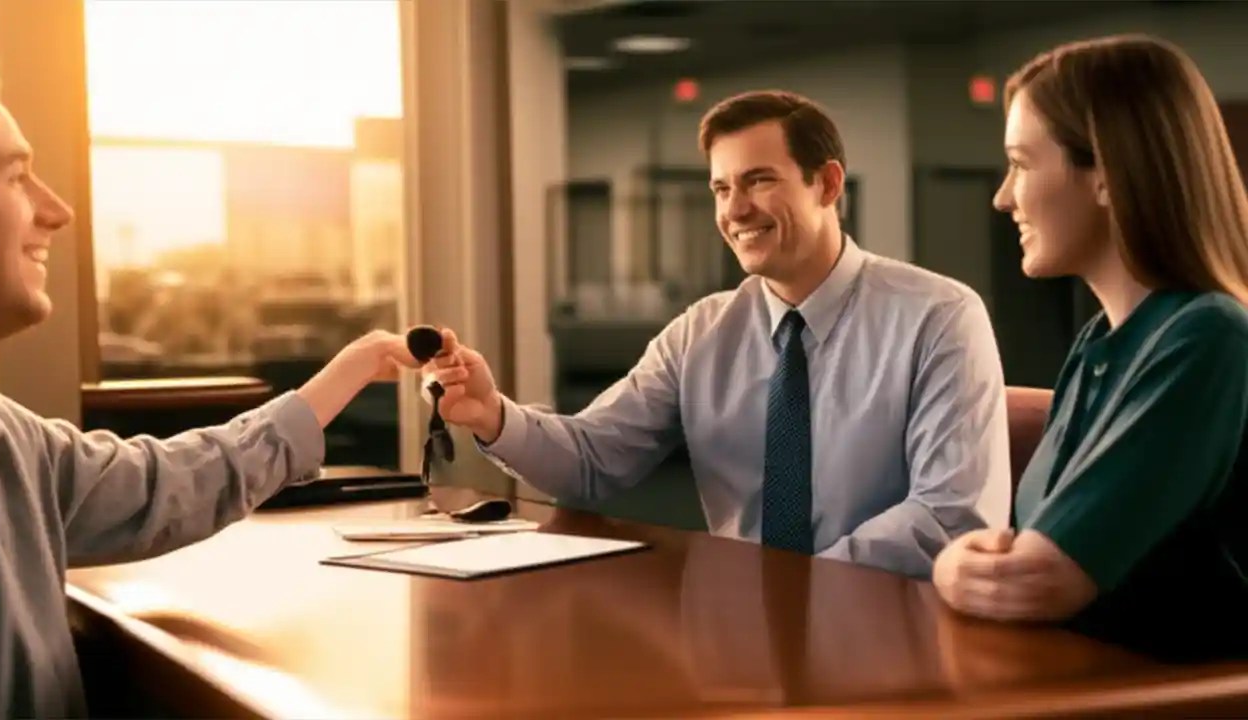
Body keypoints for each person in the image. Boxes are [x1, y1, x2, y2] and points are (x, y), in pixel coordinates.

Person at [0, 54, 424, 717]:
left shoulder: (12, 444)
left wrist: (341, 376)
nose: (57, 210)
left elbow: (167, 485)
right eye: (16, 177)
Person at [425, 89, 1011, 577]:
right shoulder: (701, 331)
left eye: (758, 181)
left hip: (891, 631)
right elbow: (592, 460)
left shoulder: (938, 316)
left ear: (828, 185)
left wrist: (792, 588)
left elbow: (947, 513)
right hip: (741, 637)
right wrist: (491, 415)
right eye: (721, 189)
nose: (735, 211)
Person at [932, 34, 1248, 660]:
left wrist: (949, 565)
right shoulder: (1099, 342)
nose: (1003, 196)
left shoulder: (1209, 336)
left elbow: (1034, 580)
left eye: (1021, 164)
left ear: (1106, 176)